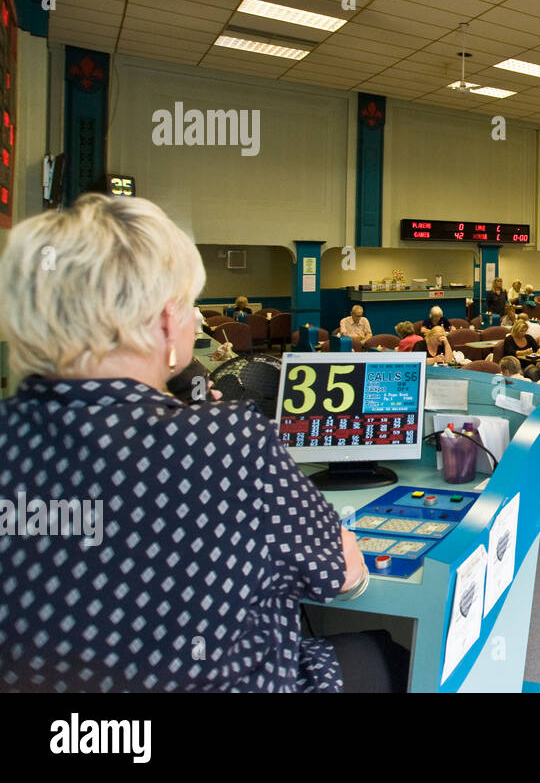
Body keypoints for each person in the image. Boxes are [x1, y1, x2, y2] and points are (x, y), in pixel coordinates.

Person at [0, 194, 405, 692]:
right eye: (191, 306)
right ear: (168, 322)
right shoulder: (226, 440)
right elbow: (342, 574)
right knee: (387, 654)